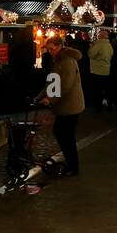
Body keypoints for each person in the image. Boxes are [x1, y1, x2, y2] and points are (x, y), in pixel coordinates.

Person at [43, 34, 85, 174]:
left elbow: (66, 85)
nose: (50, 52)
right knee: (63, 134)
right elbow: (52, 81)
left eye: (52, 49)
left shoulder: (66, 61)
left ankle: (73, 167)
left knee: (65, 135)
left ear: (60, 46)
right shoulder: (57, 60)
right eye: (48, 49)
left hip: (70, 105)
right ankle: (72, 165)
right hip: (64, 105)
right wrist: (39, 96)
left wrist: (50, 99)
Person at [88, 28, 114, 112]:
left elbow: (91, 54)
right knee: (107, 89)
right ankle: (110, 105)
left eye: (99, 35)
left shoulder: (99, 44)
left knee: (98, 90)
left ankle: (99, 107)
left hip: (97, 69)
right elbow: (111, 54)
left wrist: (91, 48)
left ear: (101, 36)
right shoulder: (109, 45)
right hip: (106, 69)